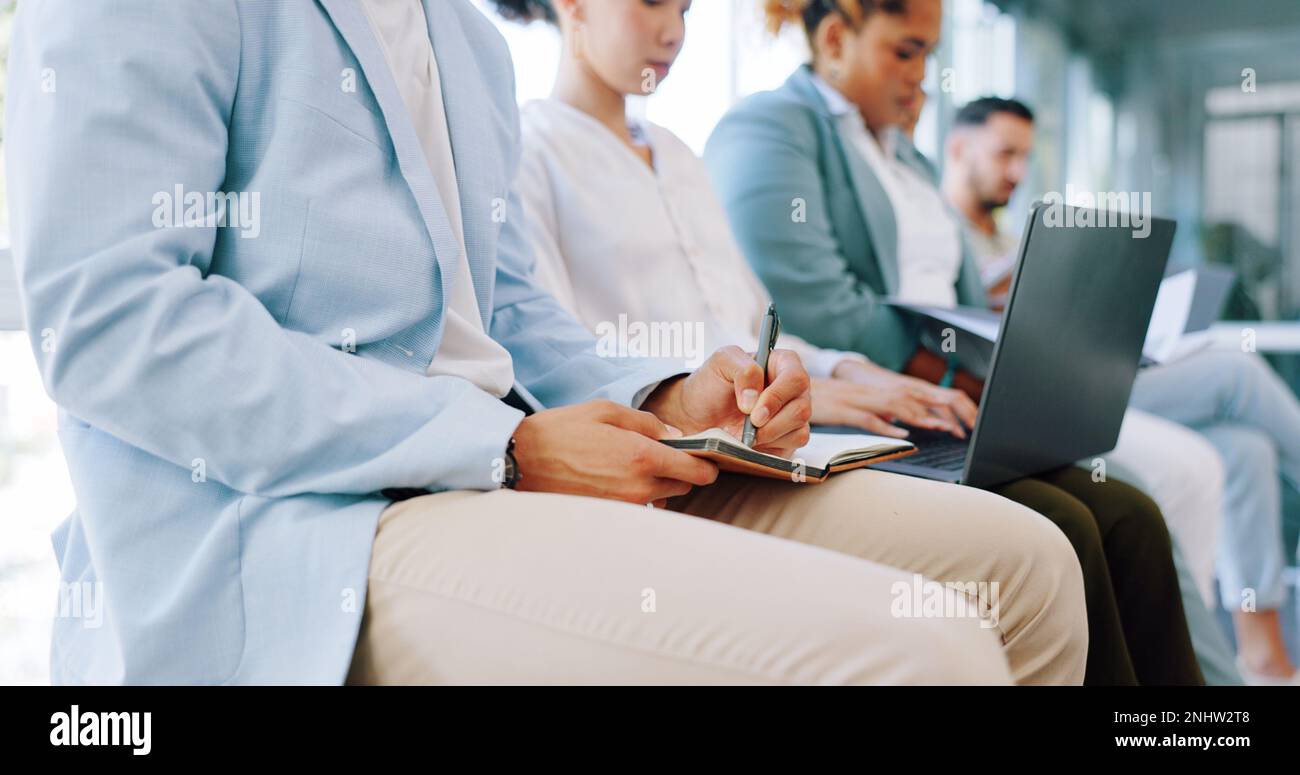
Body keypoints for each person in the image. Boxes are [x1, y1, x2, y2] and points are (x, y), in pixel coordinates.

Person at [5, 0, 1086, 685]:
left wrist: (666, 397)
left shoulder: (463, 35)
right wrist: (495, 447)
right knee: (919, 653)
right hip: (300, 521)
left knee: (1027, 566)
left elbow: (508, 317)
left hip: (499, 470)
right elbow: (112, 324)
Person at [492, 0, 1096, 687]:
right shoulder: (525, 149)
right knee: (1037, 543)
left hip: (763, 434)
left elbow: (753, 319)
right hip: (671, 451)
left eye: (687, 9)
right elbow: (550, 350)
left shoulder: (682, 157)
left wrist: (843, 368)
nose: (673, 32)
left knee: (1054, 531)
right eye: (652, 2)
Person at [705, 0, 1205, 685]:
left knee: (1132, 514)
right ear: (833, 39)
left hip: (949, 397)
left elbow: (966, 302)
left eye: (930, 55)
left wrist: (1017, 352)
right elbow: (819, 303)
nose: (922, 76)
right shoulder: (769, 128)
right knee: (1074, 523)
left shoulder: (905, 154)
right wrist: (956, 372)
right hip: (875, 407)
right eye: (905, 51)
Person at [943, 96, 1300, 684]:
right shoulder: (941, 233)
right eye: (1005, 153)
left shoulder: (1010, 239)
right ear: (958, 147)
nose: (1016, 171)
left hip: (1093, 364)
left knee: (1245, 449)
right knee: (1236, 374)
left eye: (1024, 157)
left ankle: (1259, 656)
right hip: (1050, 386)